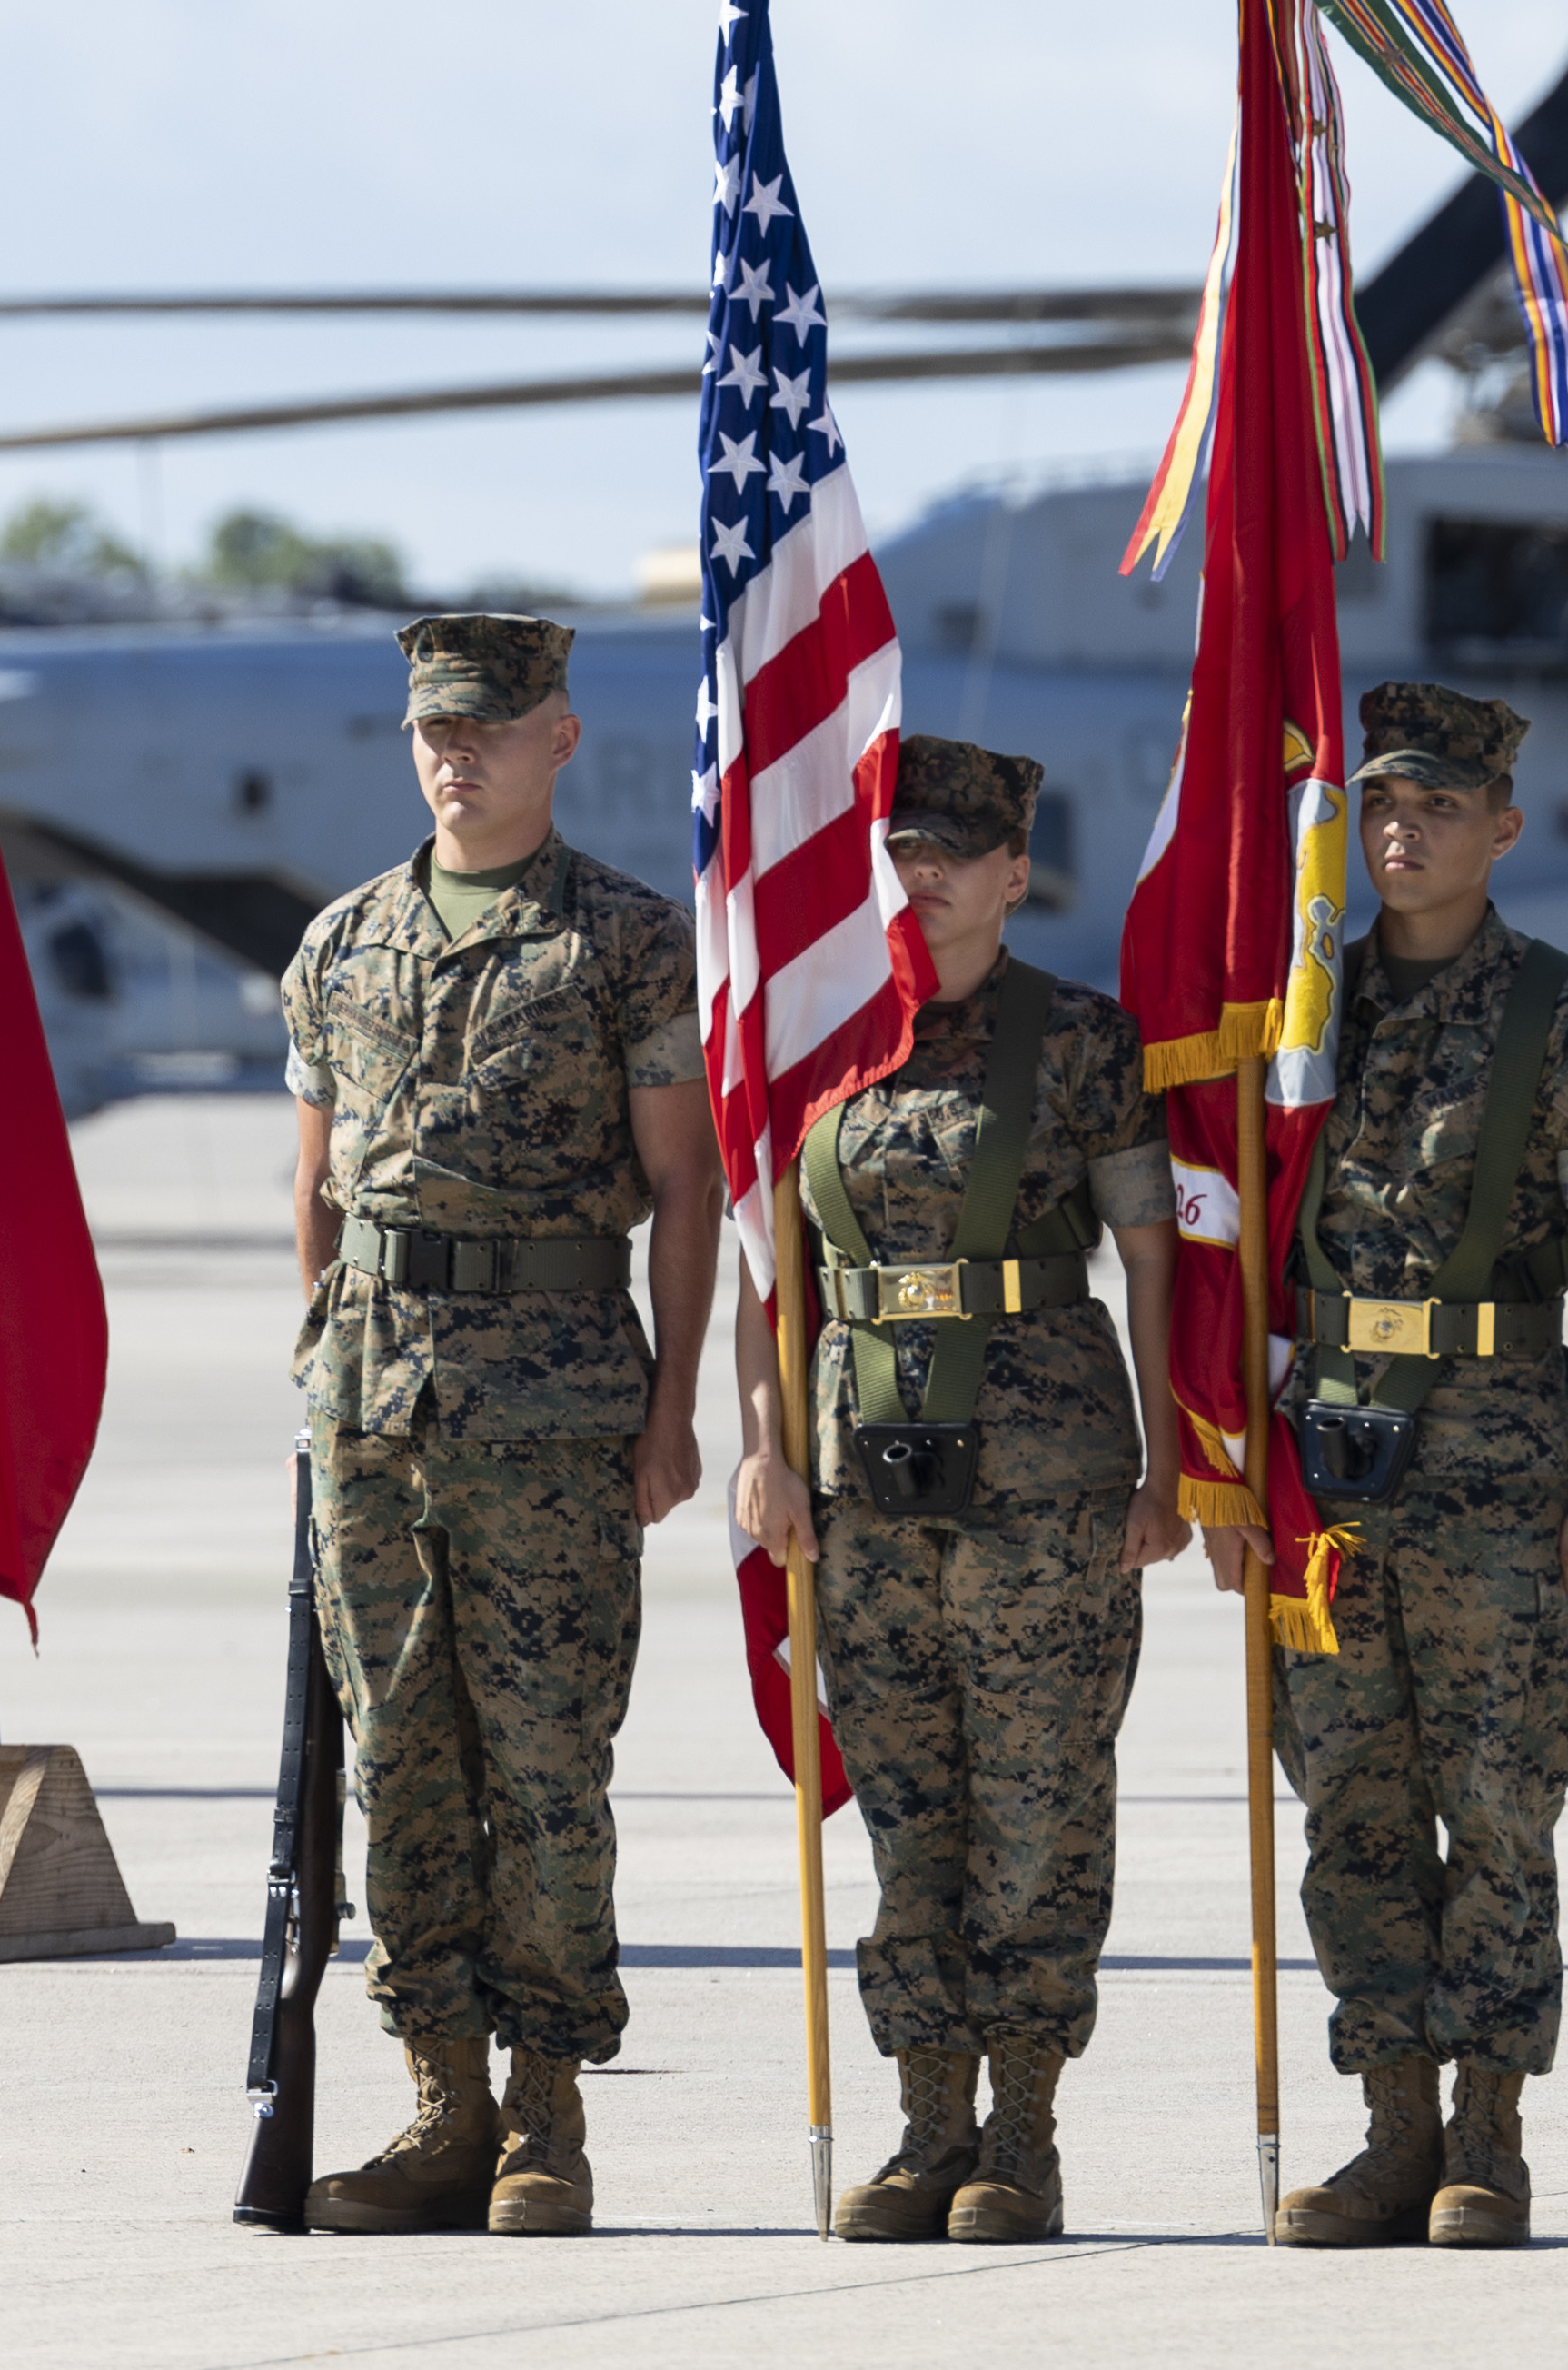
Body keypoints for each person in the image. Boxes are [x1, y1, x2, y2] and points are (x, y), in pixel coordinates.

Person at [280, 613, 723, 2237]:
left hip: (554, 1408)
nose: (456, 753)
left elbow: (685, 1187)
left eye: (487, 726)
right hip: (372, 1410)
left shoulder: (626, 939)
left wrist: (674, 1407)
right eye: (434, 730)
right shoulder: (340, 942)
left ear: (560, 738)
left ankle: (547, 2116)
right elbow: (318, 1188)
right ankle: (441, 2106)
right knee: (399, 1765)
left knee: (546, 1768)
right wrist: (319, 1373)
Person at [1217, 682, 1568, 2253]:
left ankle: (1489, 2135)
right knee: (1348, 1801)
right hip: (1328, 1463)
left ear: (1504, 828)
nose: (1402, 835)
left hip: (1499, 1462)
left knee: (1500, 1802)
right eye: (1383, 808)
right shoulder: (1292, 1019)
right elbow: (1233, 1257)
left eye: (1439, 809)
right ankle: (1391, 2128)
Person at [732, 737, 1193, 2247]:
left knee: (1040, 1802)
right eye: (900, 851)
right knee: (908, 1804)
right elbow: (769, 1276)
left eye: (954, 853)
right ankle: (928, 2124)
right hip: (863, 1480)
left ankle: (1023, 2133)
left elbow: (1152, 1262)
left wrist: (1166, 1466)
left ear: (1015, 872)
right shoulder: (815, 1036)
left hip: (1047, 1485)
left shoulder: (1082, 1042)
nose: (922, 875)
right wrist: (764, 1445)